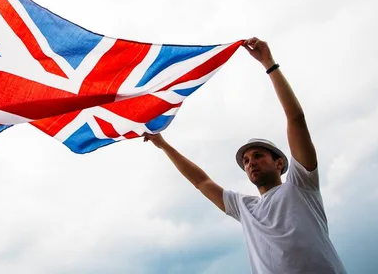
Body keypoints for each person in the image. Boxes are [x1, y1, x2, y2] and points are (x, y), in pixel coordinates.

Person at [143, 37, 346, 274]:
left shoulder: (302, 186)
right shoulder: (245, 208)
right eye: (247, 161)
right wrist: (164, 145)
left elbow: (296, 120)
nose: (251, 163)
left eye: (258, 156)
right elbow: (201, 182)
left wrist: (269, 64)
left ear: (280, 163)